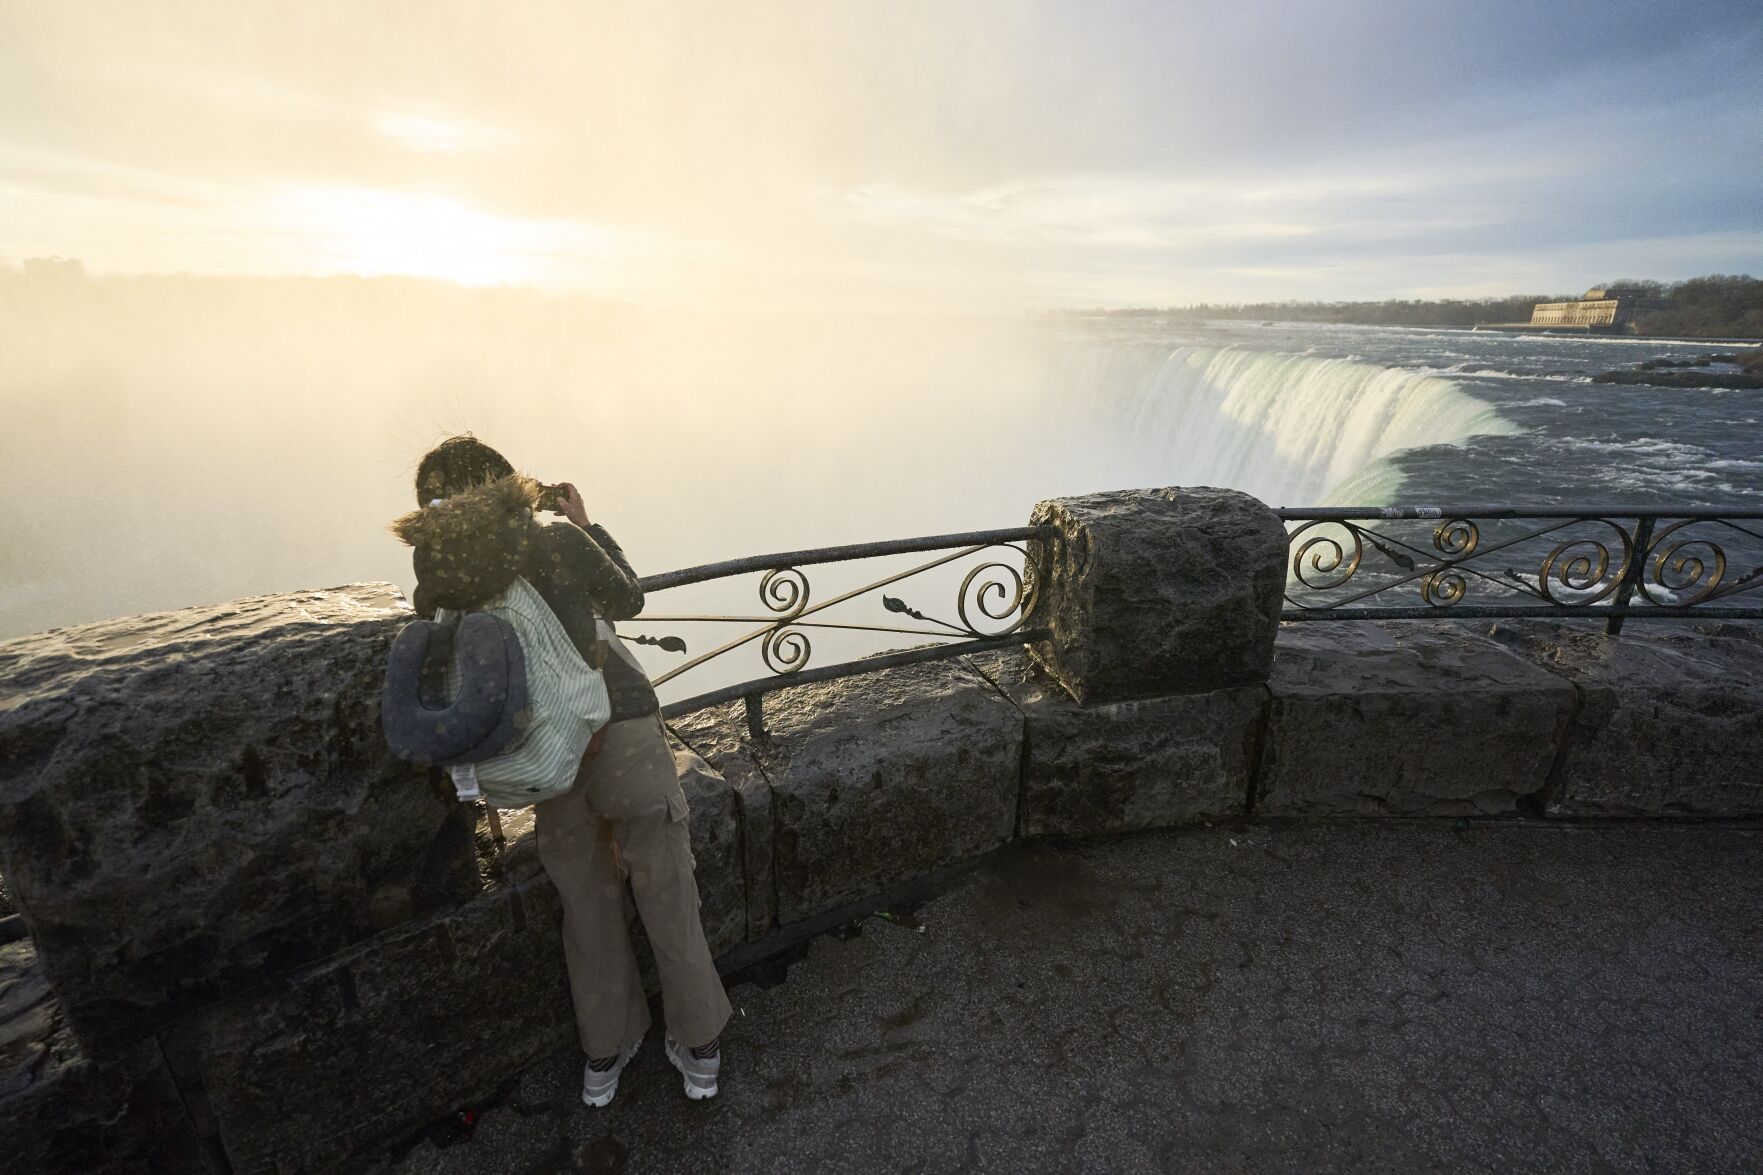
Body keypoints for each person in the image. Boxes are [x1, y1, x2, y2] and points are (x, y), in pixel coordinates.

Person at [400, 435, 731, 1107]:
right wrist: (586, 525)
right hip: (620, 724)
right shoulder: (552, 536)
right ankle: (699, 1049)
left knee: (586, 905)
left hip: (541, 757)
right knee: (666, 886)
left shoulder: (437, 575)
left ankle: (605, 1055)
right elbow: (629, 599)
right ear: (508, 482)